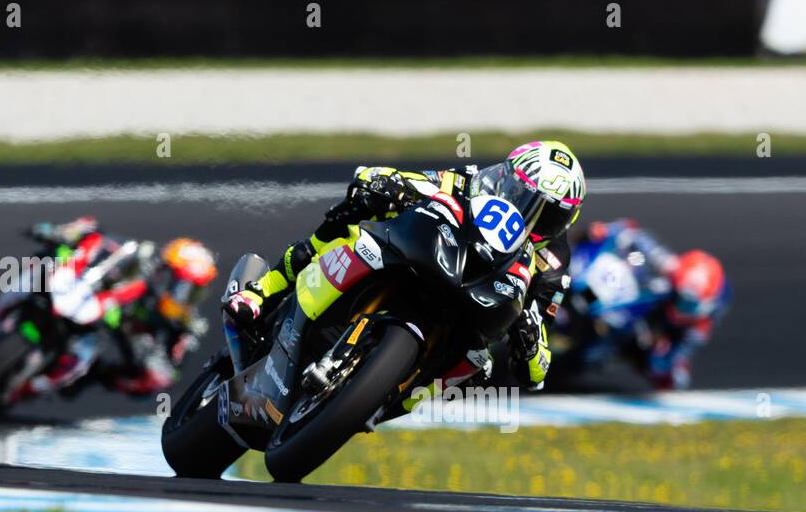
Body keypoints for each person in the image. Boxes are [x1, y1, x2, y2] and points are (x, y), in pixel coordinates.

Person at [222, 140, 587, 389]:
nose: (534, 218)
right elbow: (414, 181)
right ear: (508, 179)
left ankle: (377, 402)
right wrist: (385, 181)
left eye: (551, 216)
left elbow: (538, 369)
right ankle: (264, 290)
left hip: (472, 313)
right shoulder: (472, 183)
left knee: (477, 367)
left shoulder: (554, 262)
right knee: (352, 219)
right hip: (433, 260)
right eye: (527, 198)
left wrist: (529, 338)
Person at [19, 218, 214, 396]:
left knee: (87, 368)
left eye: (193, 291)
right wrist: (64, 234)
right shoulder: (139, 257)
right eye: (181, 285)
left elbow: (170, 373)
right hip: (85, 295)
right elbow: (96, 236)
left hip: (104, 330)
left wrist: (151, 358)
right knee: (52, 257)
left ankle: (37, 386)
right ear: (165, 269)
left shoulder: (185, 322)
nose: (183, 296)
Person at [569, 218, 731, 389]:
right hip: (624, 301)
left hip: (640, 336)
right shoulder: (671, 268)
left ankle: (586, 356)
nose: (681, 307)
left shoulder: (696, 330)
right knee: (591, 234)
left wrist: (659, 352)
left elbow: (675, 369)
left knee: (664, 374)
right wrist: (609, 231)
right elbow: (634, 234)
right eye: (681, 299)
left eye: (688, 306)